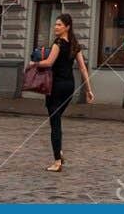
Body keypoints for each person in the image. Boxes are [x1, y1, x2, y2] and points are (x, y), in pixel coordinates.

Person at [36, 14, 94, 172]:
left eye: (59, 25)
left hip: (56, 86)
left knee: (55, 123)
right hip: (69, 86)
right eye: (55, 24)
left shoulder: (58, 43)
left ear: (67, 27)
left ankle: (57, 161)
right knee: (56, 119)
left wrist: (33, 64)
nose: (56, 27)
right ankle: (59, 152)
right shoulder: (75, 44)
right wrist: (89, 89)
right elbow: (82, 68)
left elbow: (49, 62)